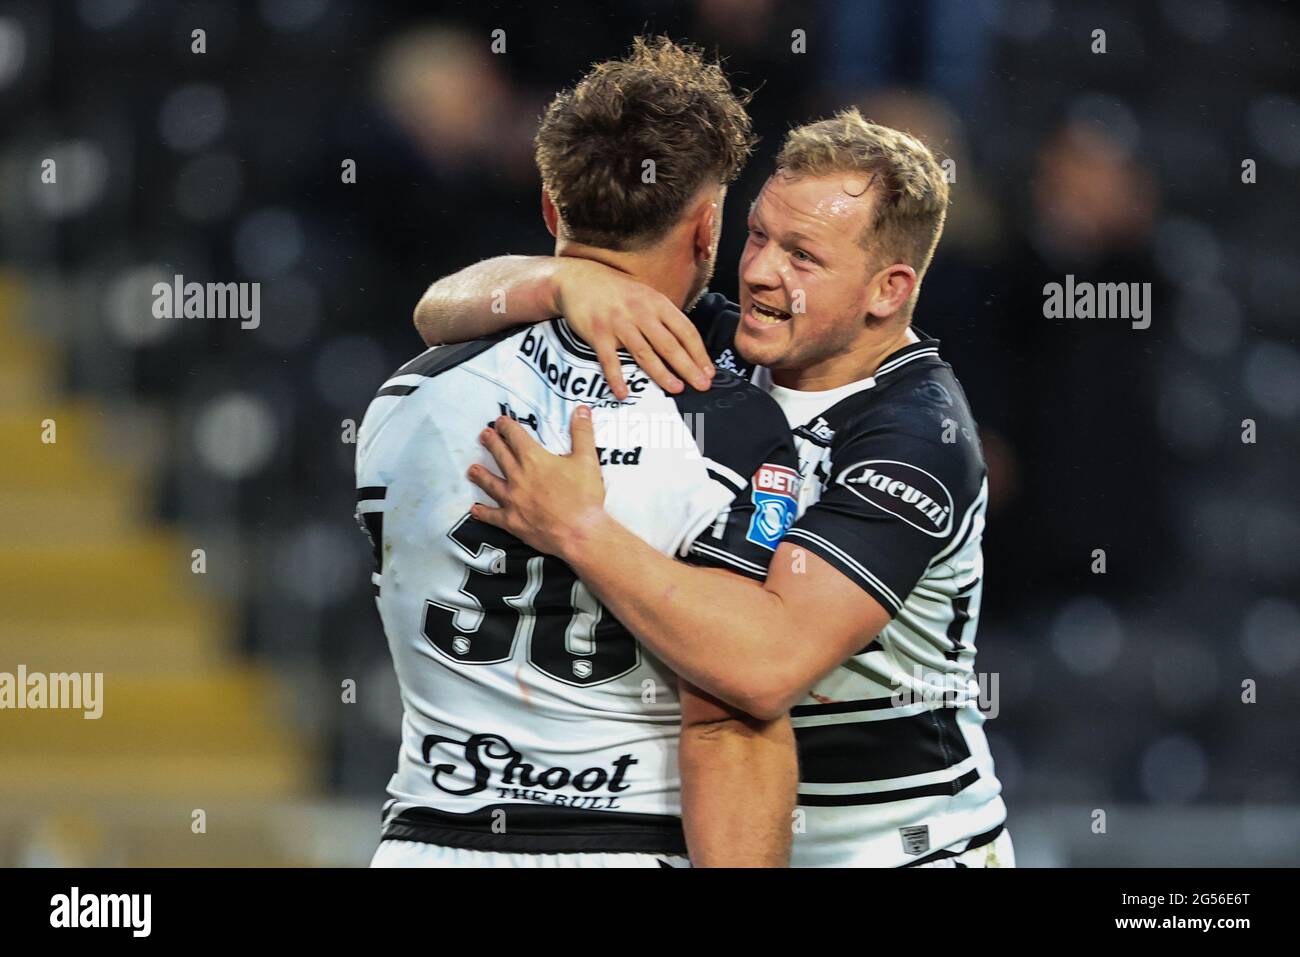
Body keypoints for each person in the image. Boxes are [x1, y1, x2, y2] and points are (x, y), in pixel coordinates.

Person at [412, 108, 1012, 868]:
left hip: (898, 845)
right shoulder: (714, 341)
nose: (760, 270)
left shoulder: (919, 435)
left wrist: (579, 530)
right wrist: (559, 279)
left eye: (803, 255)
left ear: (888, 290)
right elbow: (438, 311)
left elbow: (763, 665)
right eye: (758, 233)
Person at [358, 37, 799, 868]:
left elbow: (443, 312)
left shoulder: (405, 399)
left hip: (426, 836)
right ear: (708, 225)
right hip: (626, 840)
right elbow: (732, 708)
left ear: (552, 213)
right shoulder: (731, 422)